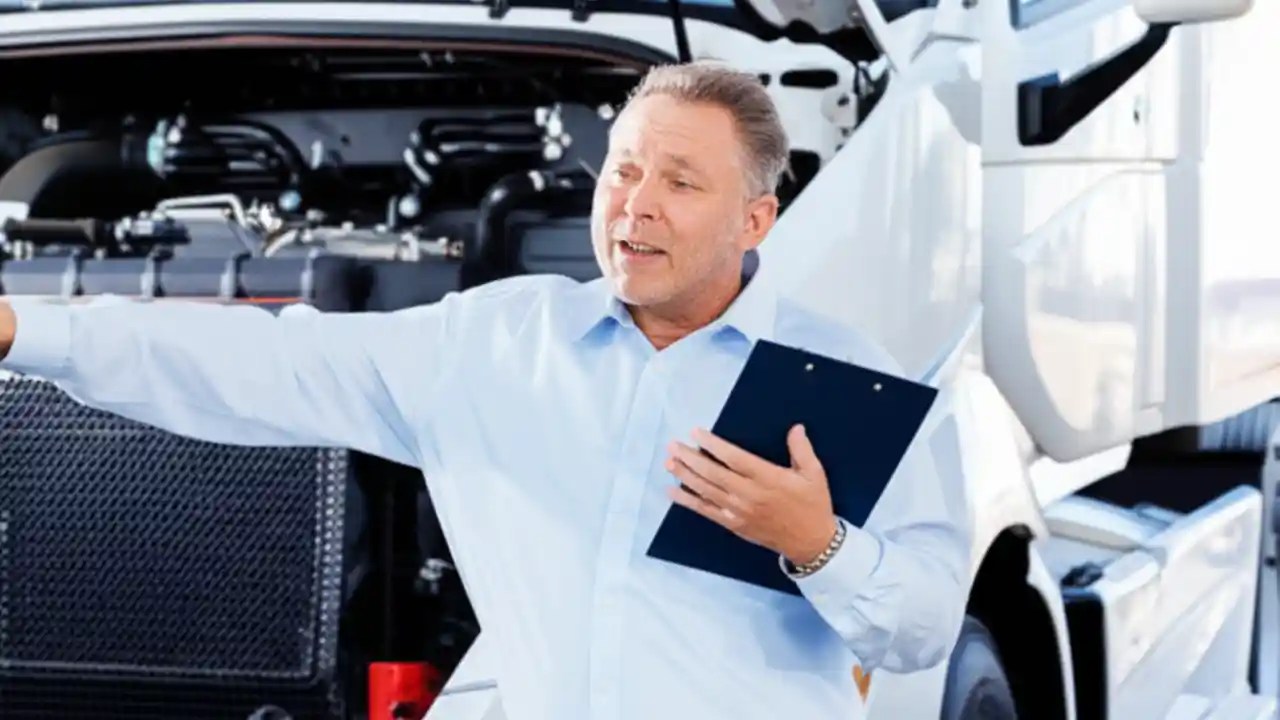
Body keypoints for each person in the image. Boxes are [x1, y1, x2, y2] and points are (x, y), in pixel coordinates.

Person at [0, 61, 970, 719]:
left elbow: (922, 629)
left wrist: (816, 543)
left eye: (679, 181)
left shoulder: (847, 376)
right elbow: (264, 363)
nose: (633, 204)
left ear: (754, 218)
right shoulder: (494, 345)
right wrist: (24, 330)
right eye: (622, 170)